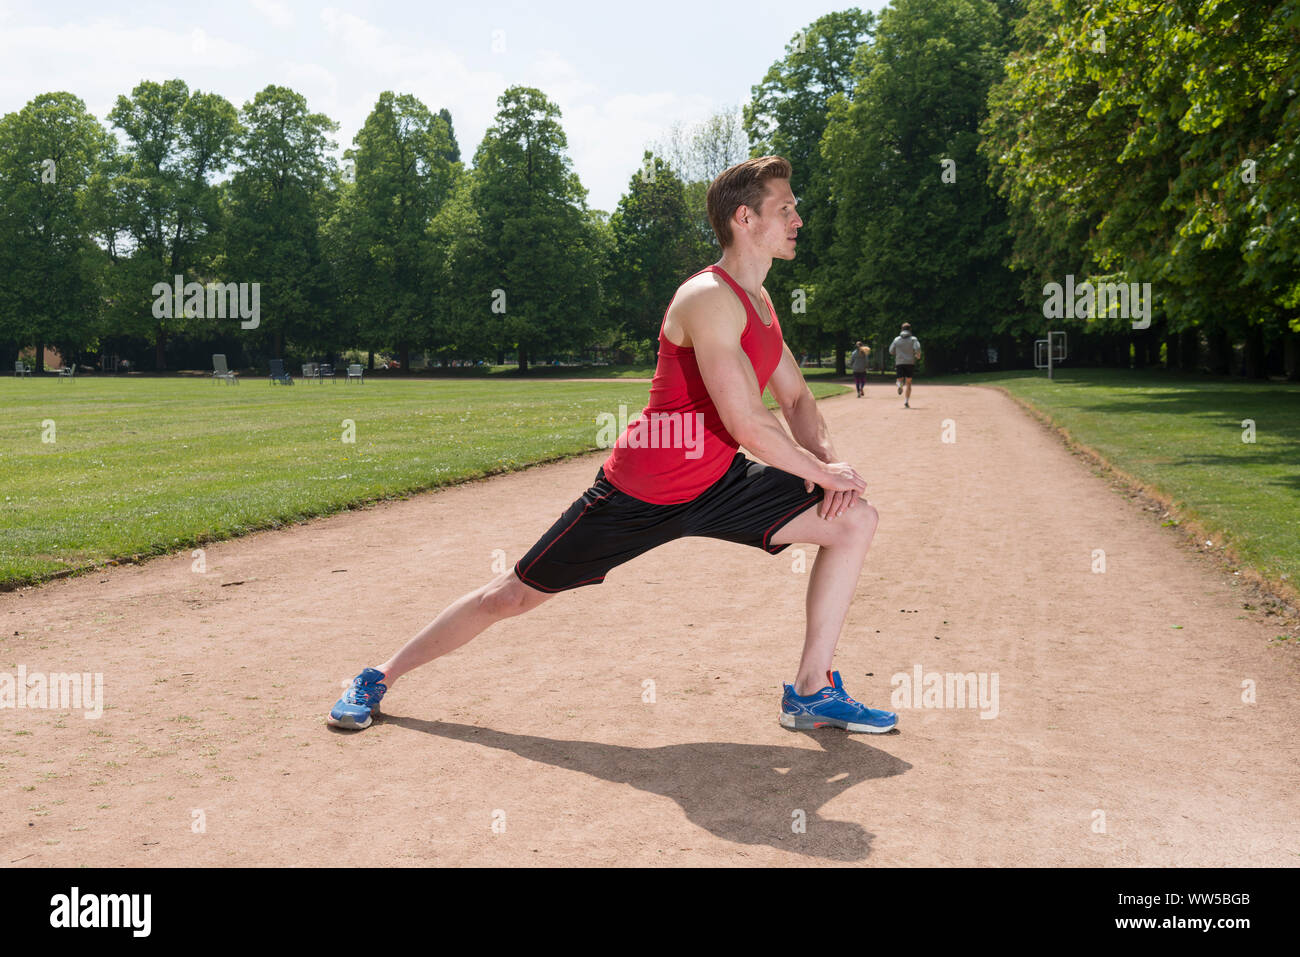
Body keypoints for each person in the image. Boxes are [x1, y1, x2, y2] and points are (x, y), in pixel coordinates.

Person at [328, 156, 897, 735]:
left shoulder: (762, 304)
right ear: (745, 218)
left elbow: (797, 402)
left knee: (854, 520)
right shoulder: (707, 297)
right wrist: (822, 473)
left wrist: (824, 464)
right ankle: (378, 675)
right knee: (511, 597)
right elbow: (748, 421)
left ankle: (811, 690)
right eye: (787, 207)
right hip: (641, 492)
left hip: (718, 484)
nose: (799, 217)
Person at [888, 323, 921, 408]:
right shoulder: (913, 339)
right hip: (910, 362)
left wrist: (897, 353)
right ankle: (906, 401)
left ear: (902, 329)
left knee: (899, 379)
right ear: (910, 329)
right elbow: (917, 348)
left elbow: (891, 351)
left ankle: (899, 385)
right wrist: (918, 355)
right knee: (909, 383)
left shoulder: (896, 339)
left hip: (899, 362)